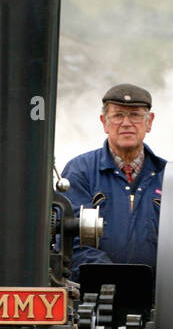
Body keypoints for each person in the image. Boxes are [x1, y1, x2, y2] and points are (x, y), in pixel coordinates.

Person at [62, 84, 166, 277]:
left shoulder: (169, 176)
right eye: (118, 115)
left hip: (157, 299)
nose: (126, 123)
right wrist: (114, 277)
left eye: (135, 115)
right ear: (104, 122)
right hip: (91, 297)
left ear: (149, 122)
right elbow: (70, 239)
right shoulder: (80, 171)